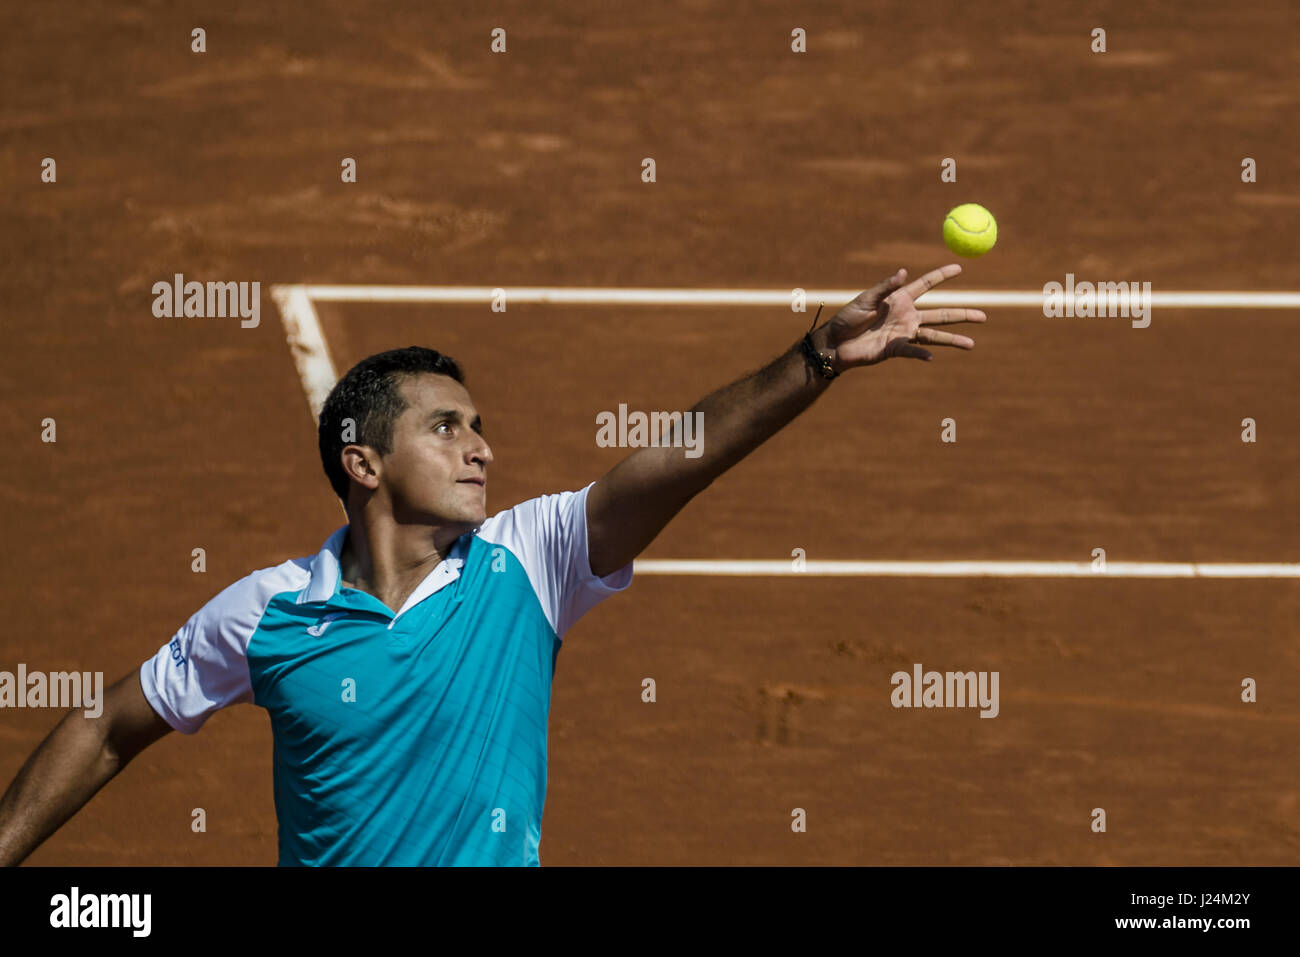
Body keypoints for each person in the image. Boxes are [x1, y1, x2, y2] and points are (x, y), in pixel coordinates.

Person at [0, 265, 984, 865]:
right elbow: (106, 723)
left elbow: (681, 457)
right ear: (363, 461)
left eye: (479, 428)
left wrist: (811, 358)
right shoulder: (266, 616)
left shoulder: (529, 560)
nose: (481, 449)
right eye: (446, 428)